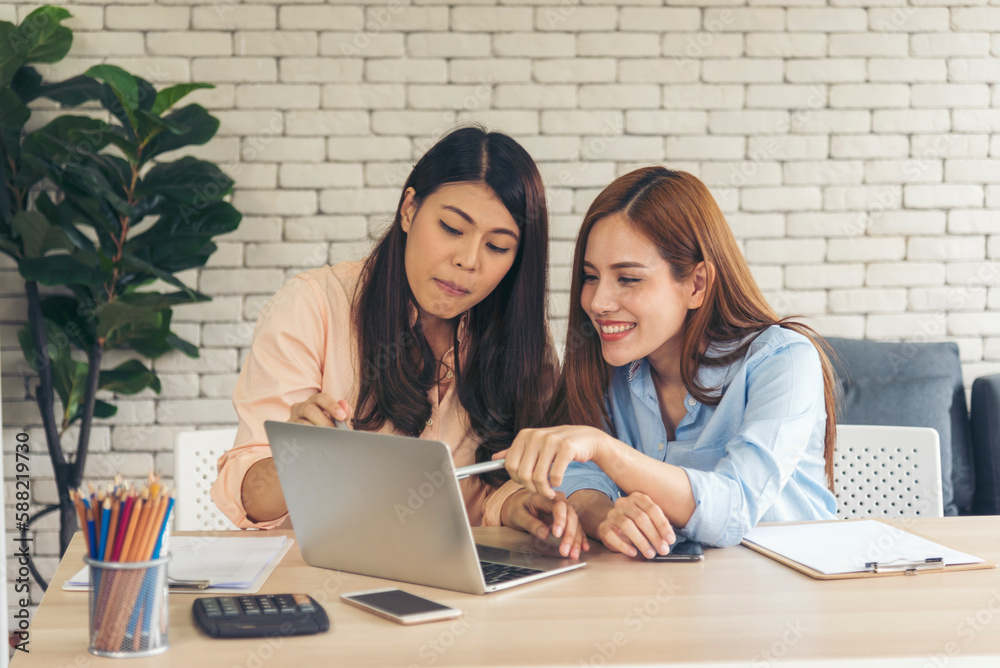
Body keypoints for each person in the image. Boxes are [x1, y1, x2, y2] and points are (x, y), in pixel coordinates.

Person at [211, 126, 587, 558]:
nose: (468, 260)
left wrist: (520, 504)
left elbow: (498, 486)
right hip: (326, 577)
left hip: (461, 581)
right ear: (409, 210)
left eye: (498, 247)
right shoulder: (313, 305)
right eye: (450, 228)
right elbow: (249, 501)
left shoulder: (522, 342)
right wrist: (295, 458)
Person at [495, 166, 837, 556]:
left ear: (696, 284)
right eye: (591, 277)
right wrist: (604, 514)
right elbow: (581, 477)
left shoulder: (784, 360)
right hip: (679, 593)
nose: (597, 303)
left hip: (792, 589)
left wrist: (605, 449)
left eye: (628, 279)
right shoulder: (613, 365)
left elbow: (735, 507)